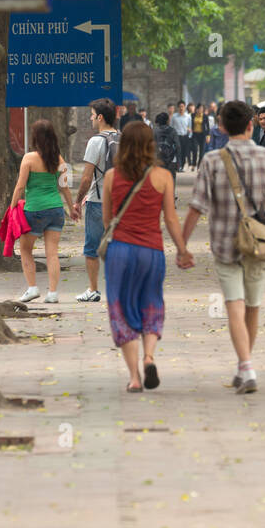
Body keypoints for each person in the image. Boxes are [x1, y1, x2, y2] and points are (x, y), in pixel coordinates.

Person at [183, 101, 265, 394]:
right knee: (253, 307)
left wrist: (182, 246)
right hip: (260, 242)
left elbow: (196, 207)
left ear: (220, 127)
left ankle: (246, 366)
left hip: (225, 243)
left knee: (234, 304)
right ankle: (246, 365)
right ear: (251, 125)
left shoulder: (211, 161)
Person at [102, 122, 193, 392]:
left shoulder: (111, 177)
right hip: (152, 251)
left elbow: (107, 220)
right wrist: (182, 249)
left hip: (120, 251)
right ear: (150, 144)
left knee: (121, 308)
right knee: (151, 302)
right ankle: (149, 357)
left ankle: (133, 378)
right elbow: (171, 219)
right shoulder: (163, 176)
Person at [10, 119, 76, 304]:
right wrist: (71, 210)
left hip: (34, 210)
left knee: (25, 249)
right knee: (52, 253)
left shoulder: (28, 158)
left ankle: (32, 288)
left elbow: (20, 187)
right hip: (56, 210)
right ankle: (53, 293)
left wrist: (12, 207)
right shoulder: (60, 159)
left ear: (35, 137)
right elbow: (65, 188)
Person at [74, 99, 120, 303]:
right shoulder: (123, 138)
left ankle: (93, 290)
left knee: (92, 248)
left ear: (100, 117)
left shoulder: (96, 141)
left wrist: (77, 201)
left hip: (98, 202)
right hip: (120, 202)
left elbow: (86, 177)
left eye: (92, 115)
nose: (91, 118)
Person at [152, 112, 180, 181]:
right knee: (171, 179)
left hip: (159, 160)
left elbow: (152, 146)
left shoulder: (155, 131)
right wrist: (178, 161)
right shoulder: (173, 131)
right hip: (171, 159)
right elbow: (178, 146)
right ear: (167, 120)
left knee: (159, 181)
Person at [170, 101, 191, 165]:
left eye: (182, 107)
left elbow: (190, 127)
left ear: (185, 107)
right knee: (178, 152)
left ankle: (182, 164)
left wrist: (189, 136)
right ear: (178, 108)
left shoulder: (188, 117)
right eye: (180, 107)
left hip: (185, 136)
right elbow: (171, 127)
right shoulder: (174, 116)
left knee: (184, 152)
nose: (181, 108)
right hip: (177, 137)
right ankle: (179, 166)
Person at [190, 103, 208, 167]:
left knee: (202, 152)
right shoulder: (192, 115)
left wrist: (208, 136)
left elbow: (207, 126)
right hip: (195, 135)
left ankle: (199, 165)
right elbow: (189, 123)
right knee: (195, 150)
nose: (201, 110)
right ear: (197, 109)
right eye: (200, 108)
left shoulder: (205, 116)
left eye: (202, 108)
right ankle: (194, 163)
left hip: (202, 135)